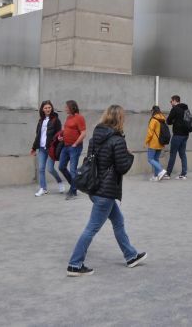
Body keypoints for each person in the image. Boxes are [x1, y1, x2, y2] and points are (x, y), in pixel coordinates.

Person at [66, 105, 147, 276]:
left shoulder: (96, 137)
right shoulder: (117, 140)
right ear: (119, 119)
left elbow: (91, 161)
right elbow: (122, 167)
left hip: (94, 189)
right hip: (106, 192)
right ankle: (74, 264)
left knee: (118, 221)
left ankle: (130, 256)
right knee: (92, 228)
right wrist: (129, 154)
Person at [31, 100, 64, 196]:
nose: (48, 109)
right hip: (41, 148)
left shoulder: (56, 120)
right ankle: (43, 188)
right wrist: (34, 147)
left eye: (49, 107)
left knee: (50, 169)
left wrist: (59, 139)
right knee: (41, 168)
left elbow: (59, 133)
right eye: (45, 108)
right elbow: (38, 135)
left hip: (51, 148)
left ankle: (59, 181)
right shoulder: (41, 120)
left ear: (51, 108)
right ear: (42, 109)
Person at [60, 100, 86, 201]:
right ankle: (74, 185)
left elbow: (83, 133)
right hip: (65, 146)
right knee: (62, 166)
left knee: (73, 169)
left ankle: (73, 190)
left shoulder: (79, 117)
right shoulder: (68, 117)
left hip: (74, 147)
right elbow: (68, 130)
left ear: (71, 107)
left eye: (66, 107)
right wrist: (62, 137)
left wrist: (75, 143)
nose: (65, 108)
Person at [165, 95, 190, 180]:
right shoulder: (186, 109)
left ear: (175, 101)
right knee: (183, 154)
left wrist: (172, 120)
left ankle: (168, 174)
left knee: (173, 154)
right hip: (185, 135)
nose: (171, 103)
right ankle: (183, 174)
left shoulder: (175, 109)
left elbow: (168, 121)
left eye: (171, 101)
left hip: (177, 135)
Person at [144, 105, 168, 181]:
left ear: (153, 111)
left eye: (151, 110)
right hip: (161, 142)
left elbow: (150, 133)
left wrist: (146, 142)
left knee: (150, 159)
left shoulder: (153, 120)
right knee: (156, 159)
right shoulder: (162, 119)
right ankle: (156, 176)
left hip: (153, 143)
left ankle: (161, 170)